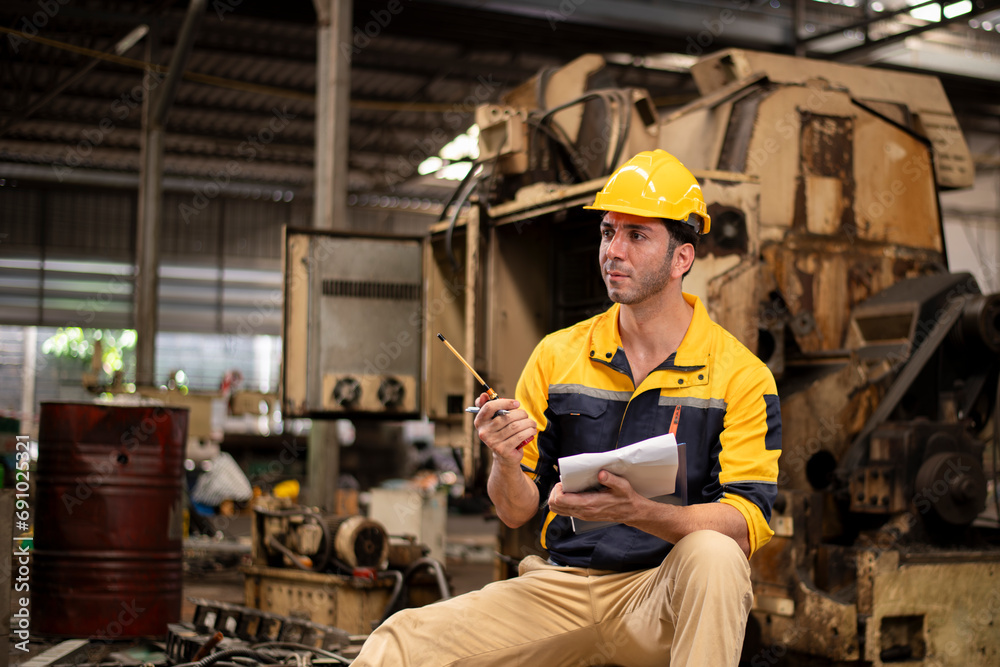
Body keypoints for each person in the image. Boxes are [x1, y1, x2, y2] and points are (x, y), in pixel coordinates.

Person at [352, 149, 781, 666]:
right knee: (398, 643)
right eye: (607, 232)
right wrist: (505, 459)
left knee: (716, 552)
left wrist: (639, 513)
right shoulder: (558, 356)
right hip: (562, 590)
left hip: (659, 599)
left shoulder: (741, 375)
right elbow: (515, 510)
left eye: (636, 235)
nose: (612, 251)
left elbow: (744, 522)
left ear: (682, 258)